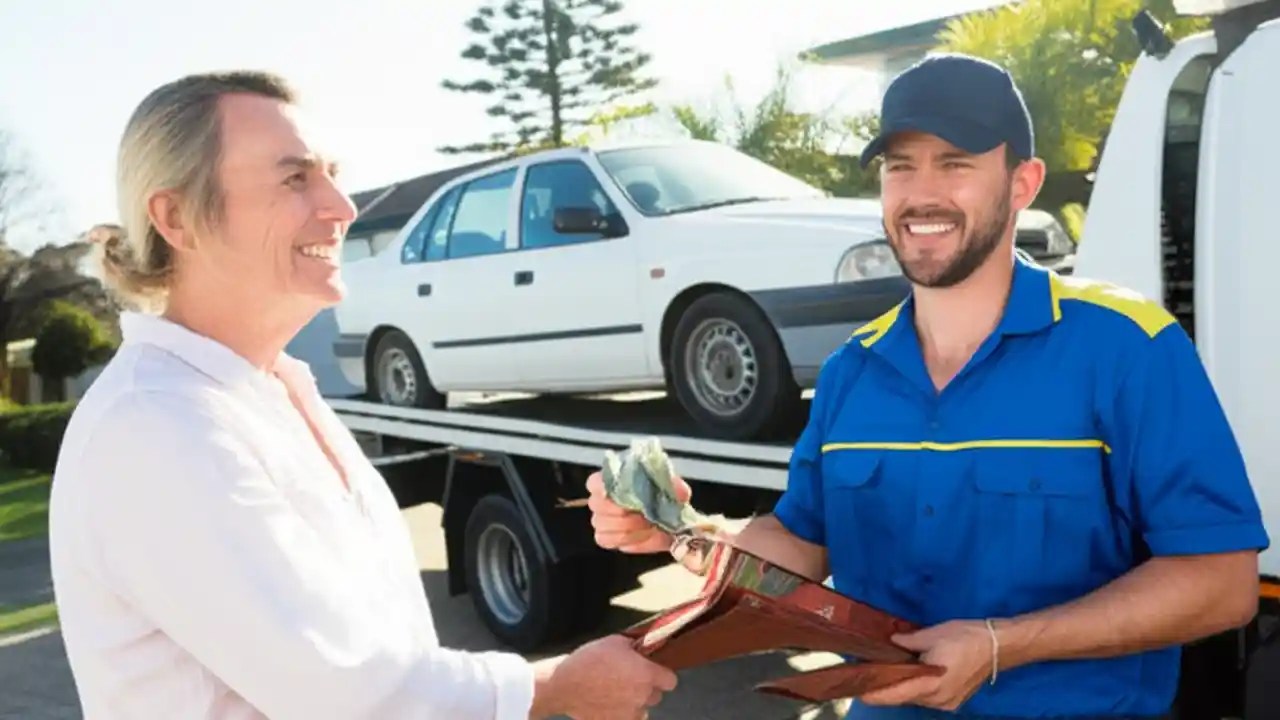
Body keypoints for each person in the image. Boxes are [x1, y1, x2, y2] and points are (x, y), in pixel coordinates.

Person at [586, 53, 1269, 719]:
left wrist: (1002, 646)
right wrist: (684, 532)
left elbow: (1221, 582)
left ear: (1023, 183)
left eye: (955, 163)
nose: (921, 193)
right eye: (900, 166)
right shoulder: (852, 371)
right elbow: (801, 544)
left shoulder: (1127, 348)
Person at [48, 70, 676, 720]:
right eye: (295, 179)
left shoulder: (267, 391)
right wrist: (559, 687)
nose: (342, 207)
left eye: (332, 174)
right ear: (177, 217)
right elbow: (347, 694)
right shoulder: (154, 426)